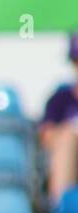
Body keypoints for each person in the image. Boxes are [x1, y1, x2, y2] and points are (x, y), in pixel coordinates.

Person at [39, 31, 78, 204]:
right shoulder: (60, 99)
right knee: (67, 140)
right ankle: (61, 208)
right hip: (70, 160)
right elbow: (46, 137)